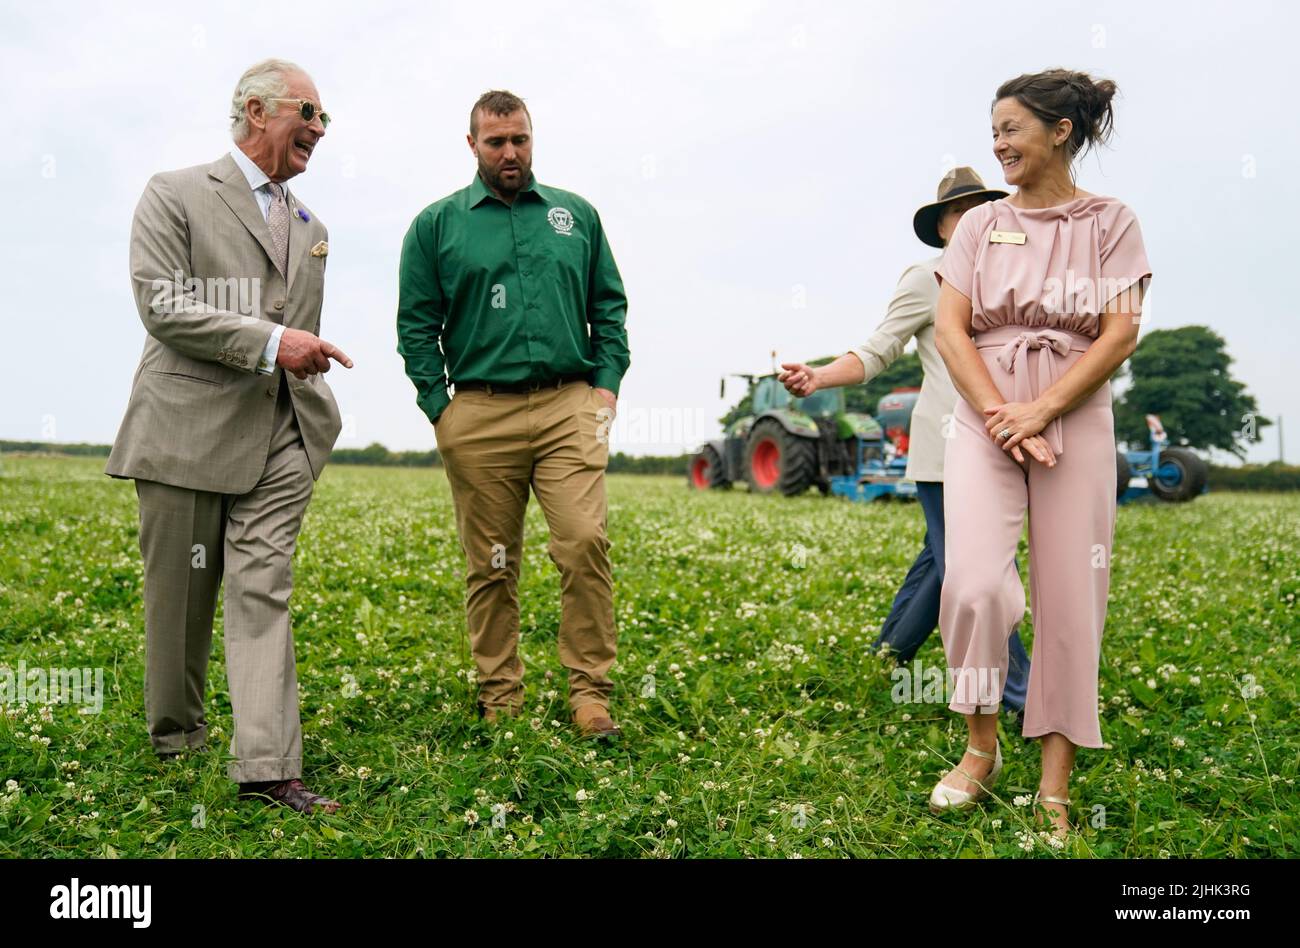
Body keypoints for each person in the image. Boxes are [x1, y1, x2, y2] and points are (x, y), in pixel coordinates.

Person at [106, 59, 353, 814]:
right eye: (307, 112)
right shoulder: (174, 193)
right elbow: (165, 307)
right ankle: (177, 737)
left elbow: (292, 331)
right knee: (180, 599)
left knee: (261, 587)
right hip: (185, 427)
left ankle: (269, 767)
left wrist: (292, 357)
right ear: (255, 110)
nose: (318, 128)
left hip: (283, 430)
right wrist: (276, 341)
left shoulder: (313, 228)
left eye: (324, 119)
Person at [929, 69, 1151, 839]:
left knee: (1070, 596)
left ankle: (1055, 781)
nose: (998, 143)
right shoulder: (978, 228)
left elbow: (1121, 331)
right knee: (973, 586)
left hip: (1076, 415)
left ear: (1061, 131)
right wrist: (1002, 415)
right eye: (993, 130)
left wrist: (1045, 410)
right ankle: (979, 746)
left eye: (1012, 128)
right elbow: (950, 329)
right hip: (987, 414)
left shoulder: (1112, 221)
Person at [397, 90, 630, 739]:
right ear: (471, 144)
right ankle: (501, 697)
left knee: (584, 541)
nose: (510, 152)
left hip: (567, 404)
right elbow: (416, 325)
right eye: (496, 141)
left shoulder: (574, 215)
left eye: (519, 139)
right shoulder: (436, 226)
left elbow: (608, 305)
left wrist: (604, 389)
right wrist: (440, 408)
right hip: (479, 411)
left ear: (533, 139)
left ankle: (590, 695)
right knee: (493, 562)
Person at [779, 168, 1032, 719]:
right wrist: (819, 377)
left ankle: (888, 656)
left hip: (1005, 444)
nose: (974, 221)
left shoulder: (1016, 280)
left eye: (985, 210)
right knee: (979, 571)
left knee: (944, 563)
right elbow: (879, 349)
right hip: (947, 452)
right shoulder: (928, 279)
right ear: (943, 228)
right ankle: (1021, 696)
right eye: (960, 212)